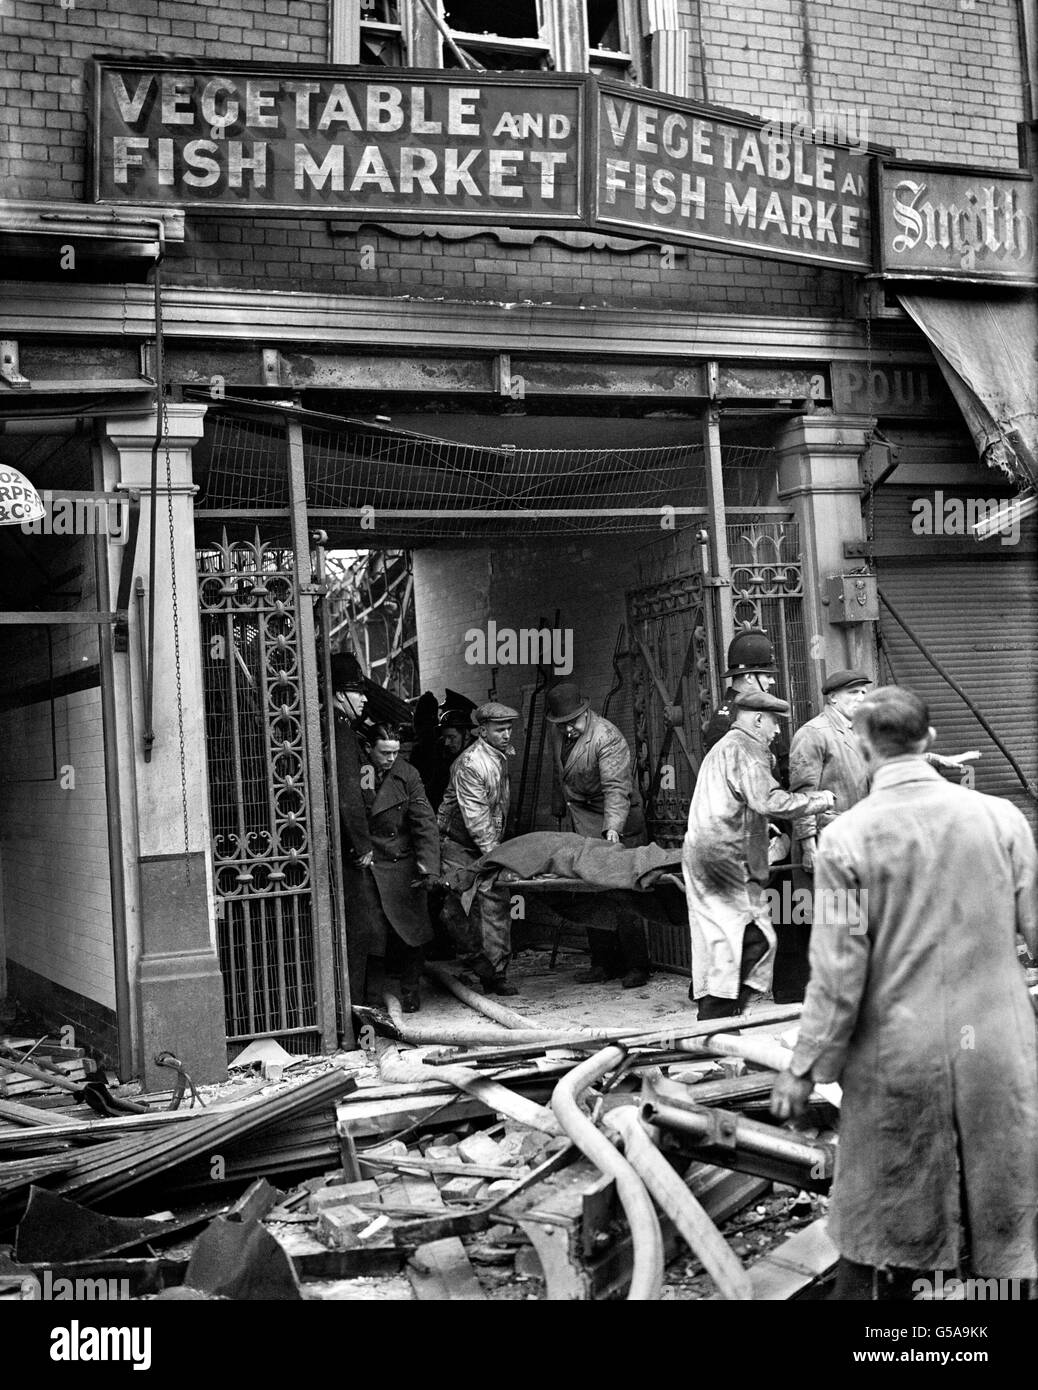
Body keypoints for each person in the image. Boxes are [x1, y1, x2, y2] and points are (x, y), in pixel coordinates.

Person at [771, 686, 1038, 1300]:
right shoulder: (1001, 818)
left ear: (863, 747)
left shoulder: (845, 839)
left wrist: (805, 1068)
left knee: (887, 1219)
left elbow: (838, 973)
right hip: (997, 1044)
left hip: (898, 1050)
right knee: (1009, 1212)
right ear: (932, 742)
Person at [682, 690, 835, 1019]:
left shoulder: (724, 747)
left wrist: (766, 833)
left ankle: (721, 1016)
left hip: (708, 856)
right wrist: (821, 800)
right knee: (751, 939)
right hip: (722, 861)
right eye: (775, 723)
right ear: (757, 719)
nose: (778, 731)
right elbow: (770, 802)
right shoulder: (746, 748)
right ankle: (718, 1018)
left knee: (728, 942)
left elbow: (737, 805)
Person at [547, 680, 650, 988]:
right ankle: (603, 963)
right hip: (583, 818)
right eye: (562, 724)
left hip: (615, 821)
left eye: (572, 723)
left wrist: (613, 832)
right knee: (590, 890)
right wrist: (559, 810)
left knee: (622, 893)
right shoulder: (560, 729)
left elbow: (616, 790)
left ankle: (637, 967)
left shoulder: (607, 737)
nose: (567, 729)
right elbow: (560, 773)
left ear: (586, 711)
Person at [342, 726, 441, 1013]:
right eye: (384, 752)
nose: (390, 758)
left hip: (402, 864)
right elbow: (351, 814)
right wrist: (359, 848)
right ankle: (372, 1000)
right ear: (369, 749)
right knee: (374, 933)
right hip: (368, 865)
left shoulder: (407, 774)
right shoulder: (359, 772)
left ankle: (410, 992)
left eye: (396, 752)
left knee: (414, 930)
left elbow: (424, 822)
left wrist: (428, 868)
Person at [438, 702, 520, 996]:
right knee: (461, 911)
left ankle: (496, 975)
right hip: (458, 844)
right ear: (482, 731)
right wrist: (497, 856)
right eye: (500, 729)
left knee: (495, 902)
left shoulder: (499, 756)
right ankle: (478, 968)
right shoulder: (471, 763)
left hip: (484, 843)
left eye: (509, 728)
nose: (507, 734)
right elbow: (477, 820)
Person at [703, 629, 790, 785]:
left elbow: (783, 766)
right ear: (749, 677)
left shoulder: (762, 710)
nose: (772, 682)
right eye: (767, 676)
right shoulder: (725, 720)